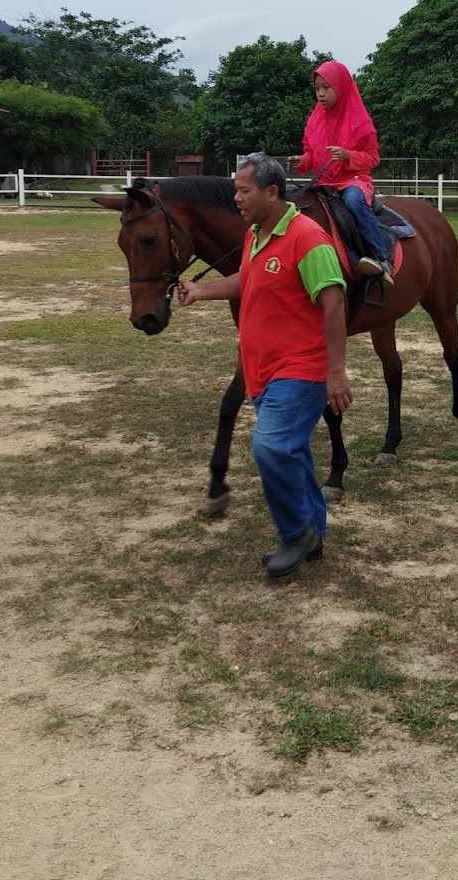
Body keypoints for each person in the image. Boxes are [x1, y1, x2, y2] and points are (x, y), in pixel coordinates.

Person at [176, 152, 352, 579]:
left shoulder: (308, 239)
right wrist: (202, 292)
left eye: (244, 190)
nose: (235, 197)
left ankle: (296, 533)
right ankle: (314, 530)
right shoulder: (257, 234)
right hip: (264, 370)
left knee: (271, 447)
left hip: (301, 370)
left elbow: (334, 303)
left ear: (272, 192)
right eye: (235, 189)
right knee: (291, 451)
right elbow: (248, 279)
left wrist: (336, 372)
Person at [298, 60, 392, 285]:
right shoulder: (315, 120)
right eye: (317, 88)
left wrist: (349, 155)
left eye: (326, 87)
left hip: (354, 179)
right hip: (324, 182)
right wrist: (300, 161)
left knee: (353, 201)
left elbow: (373, 157)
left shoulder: (360, 121)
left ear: (340, 87)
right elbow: (311, 154)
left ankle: (381, 257)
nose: (320, 93)